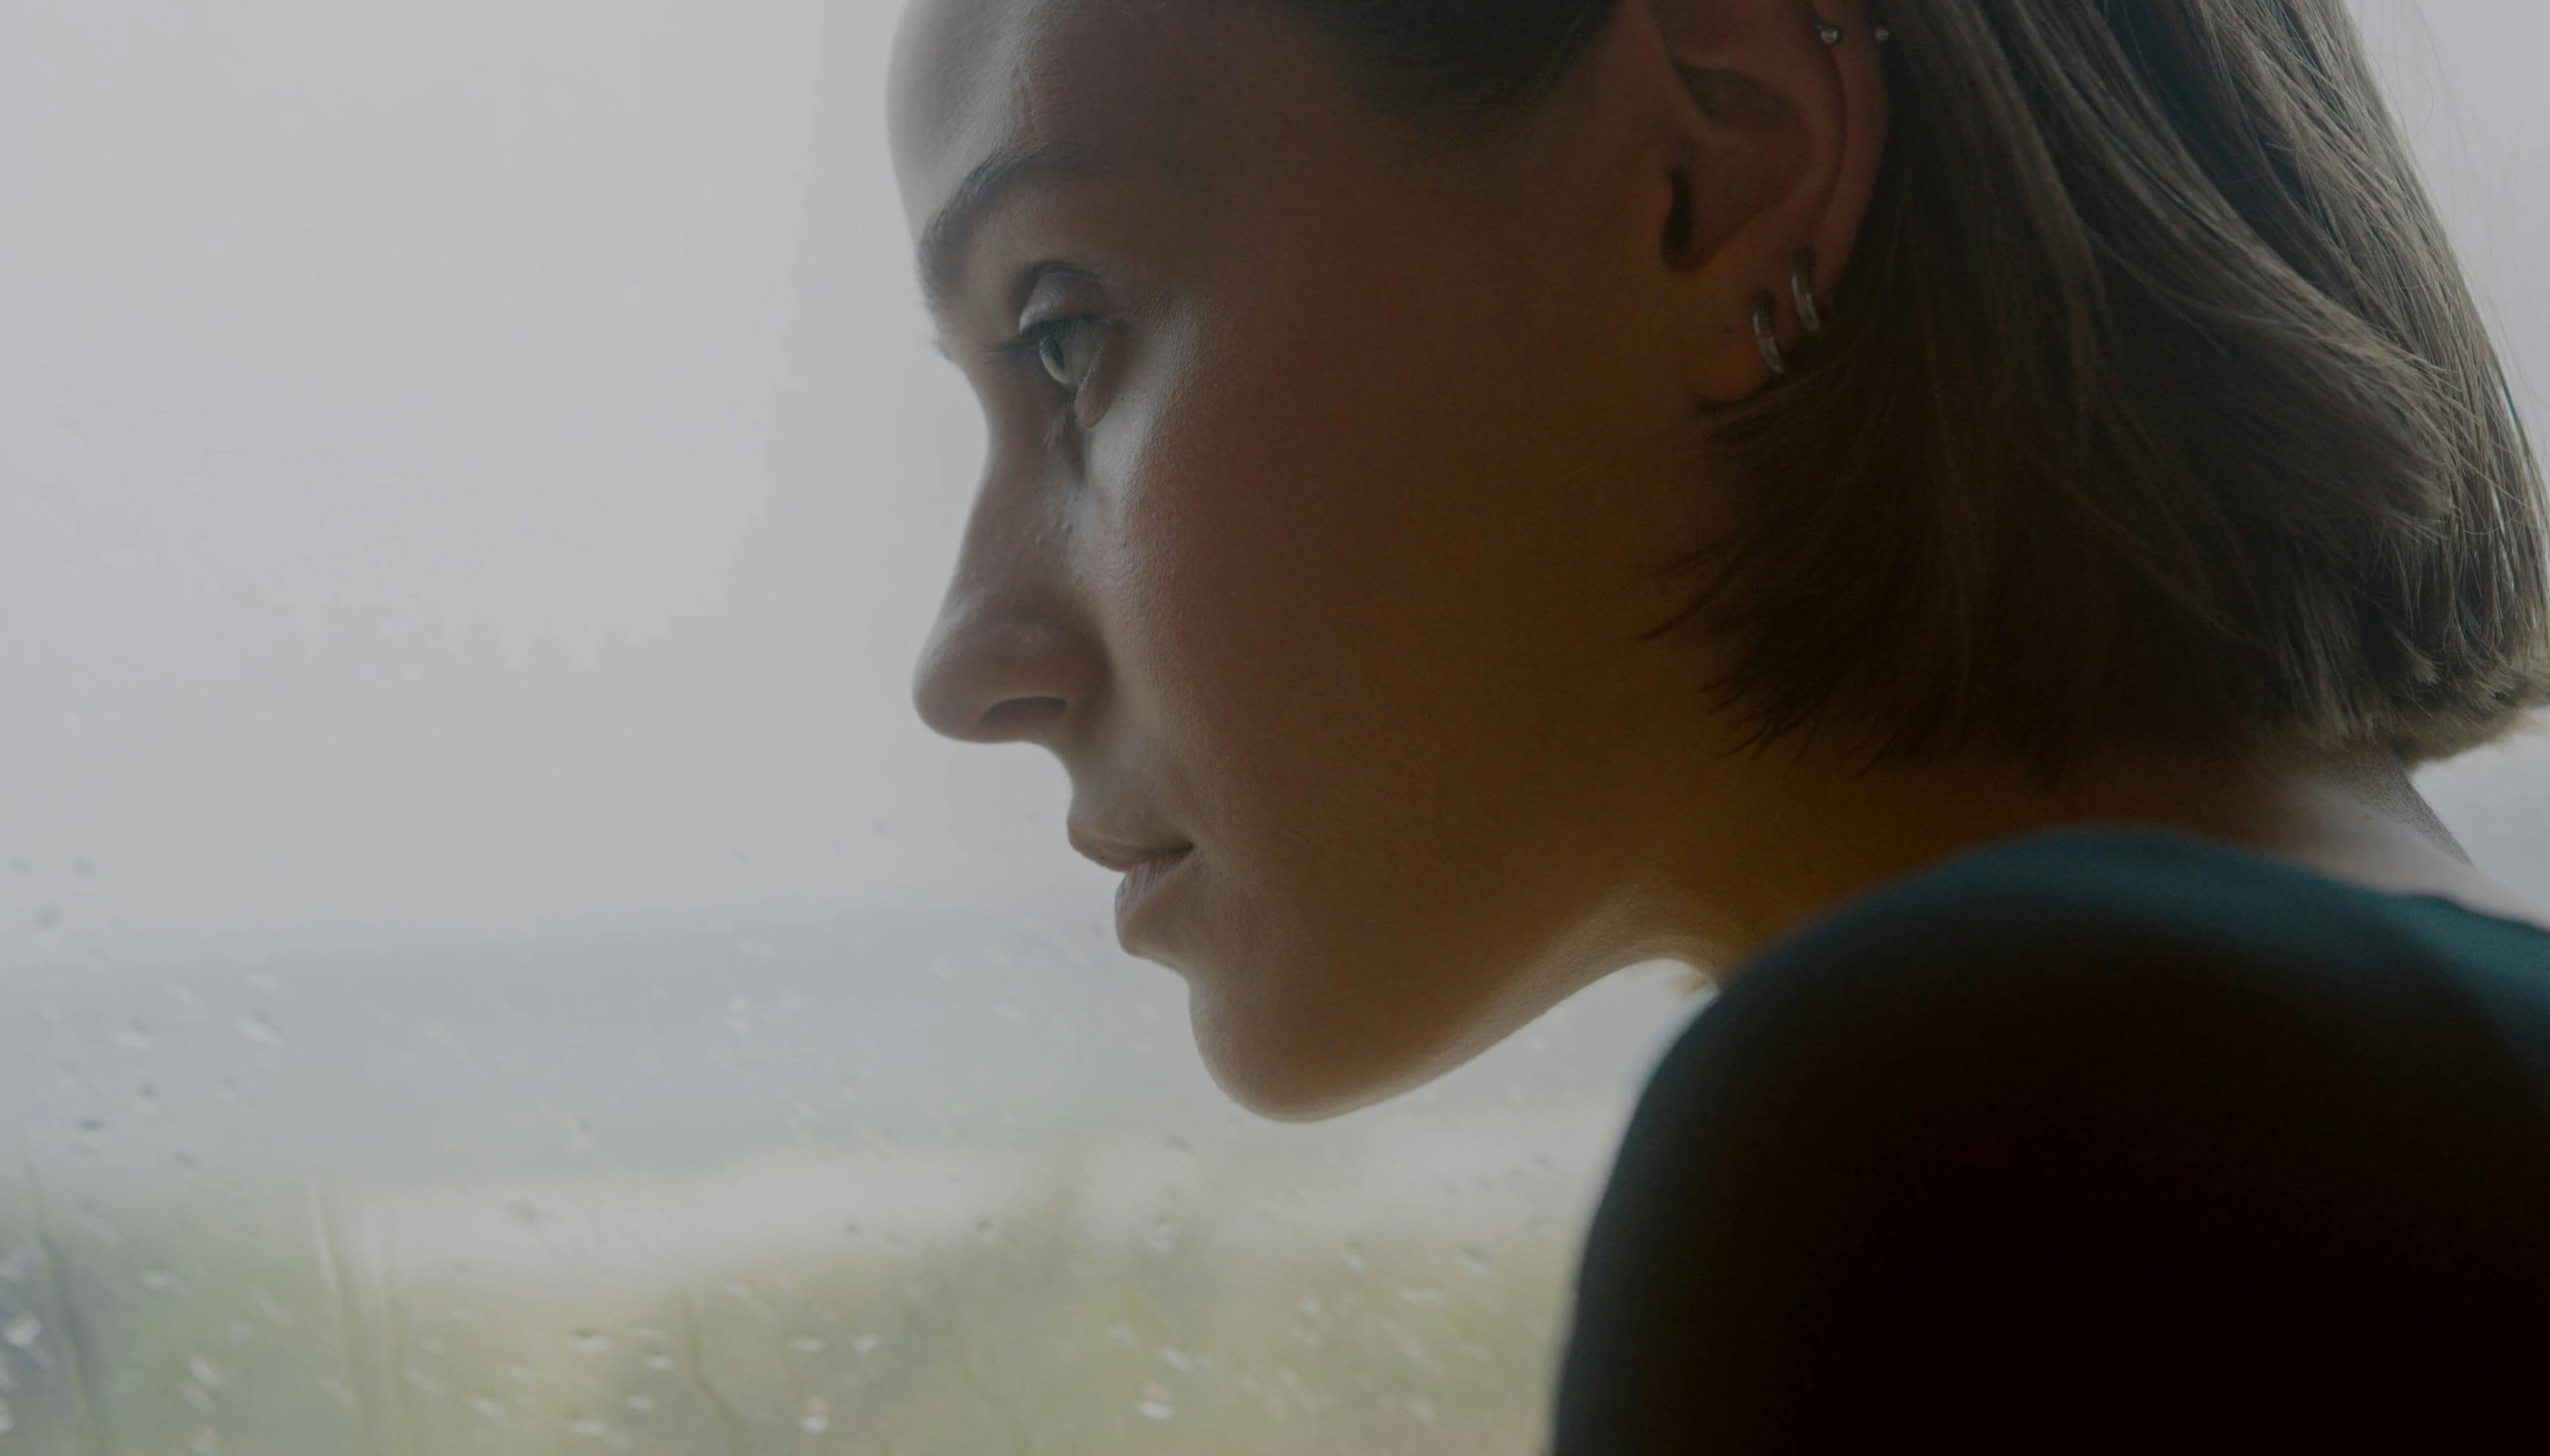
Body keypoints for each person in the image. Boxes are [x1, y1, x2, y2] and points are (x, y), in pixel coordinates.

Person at [885, 0, 2550, 1447]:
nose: (965, 661)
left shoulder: (1990, 1148)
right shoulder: (2410, 1107)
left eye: (1063, 331)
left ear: (1722, 172)